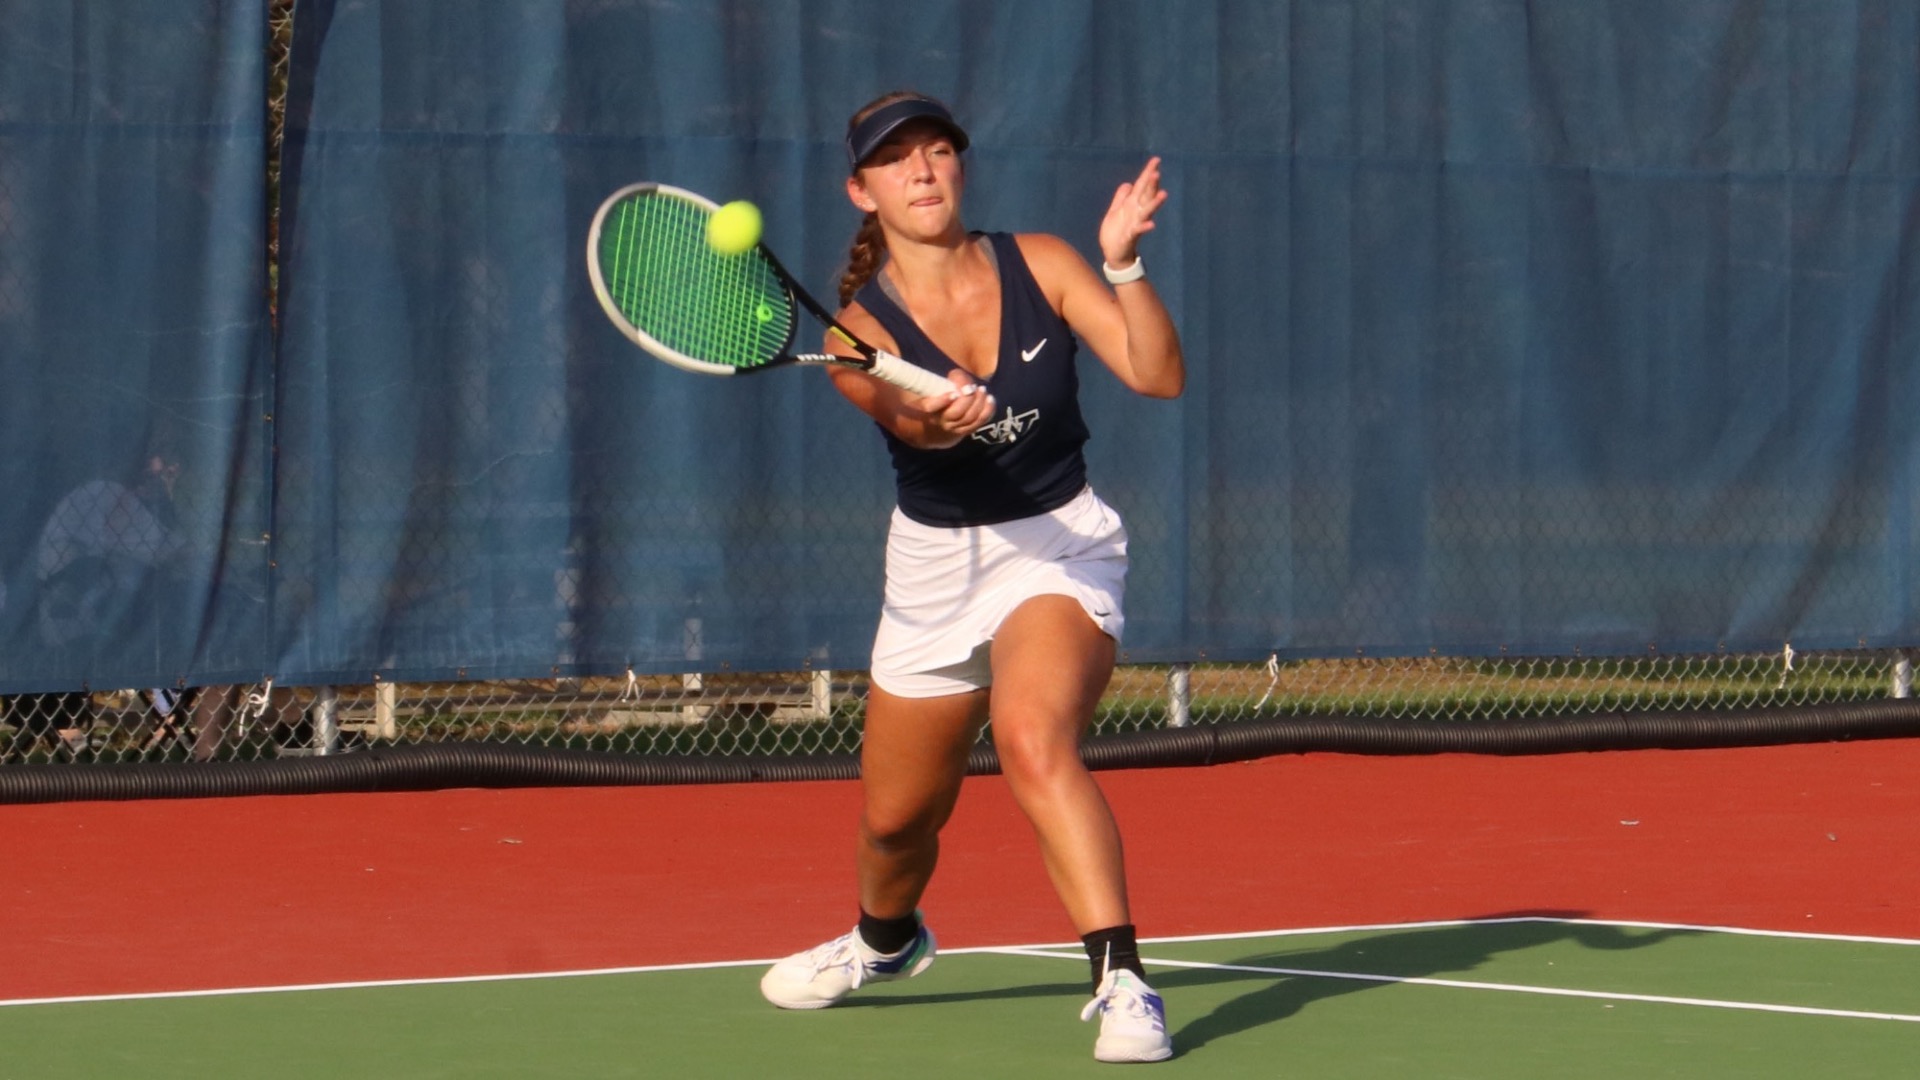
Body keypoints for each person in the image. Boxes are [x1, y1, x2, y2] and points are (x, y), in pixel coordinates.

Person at [757, 92, 1184, 1064]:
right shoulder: (856, 331)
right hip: (935, 570)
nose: (921, 170)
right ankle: (886, 938)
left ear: (960, 168)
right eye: (895, 159)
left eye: (938, 150)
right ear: (860, 191)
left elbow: (1158, 376)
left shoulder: (1044, 261)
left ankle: (1122, 980)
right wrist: (933, 420)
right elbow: (901, 418)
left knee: (1034, 741)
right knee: (897, 821)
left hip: (1059, 544)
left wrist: (1122, 264)